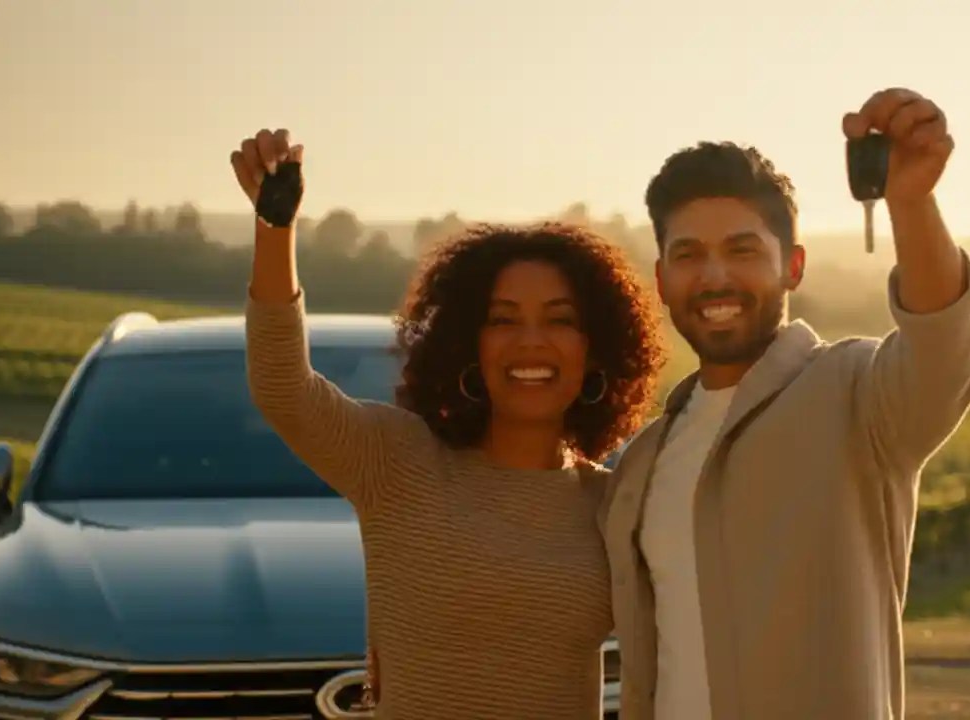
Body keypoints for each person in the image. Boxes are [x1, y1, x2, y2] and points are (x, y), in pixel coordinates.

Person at [230, 128, 666, 719]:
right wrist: (274, 228)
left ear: (597, 350)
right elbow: (282, 389)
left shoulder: (616, 504)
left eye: (559, 320)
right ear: (469, 343)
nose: (531, 342)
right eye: (502, 319)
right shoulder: (397, 460)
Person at [601, 88, 970, 719]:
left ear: (794, 267)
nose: (715, 277)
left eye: (743, 250)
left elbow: (943, 346)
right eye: (689, 255)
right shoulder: (644, 461)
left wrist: (911, 204)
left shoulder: (857, 396)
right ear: (663, 280)